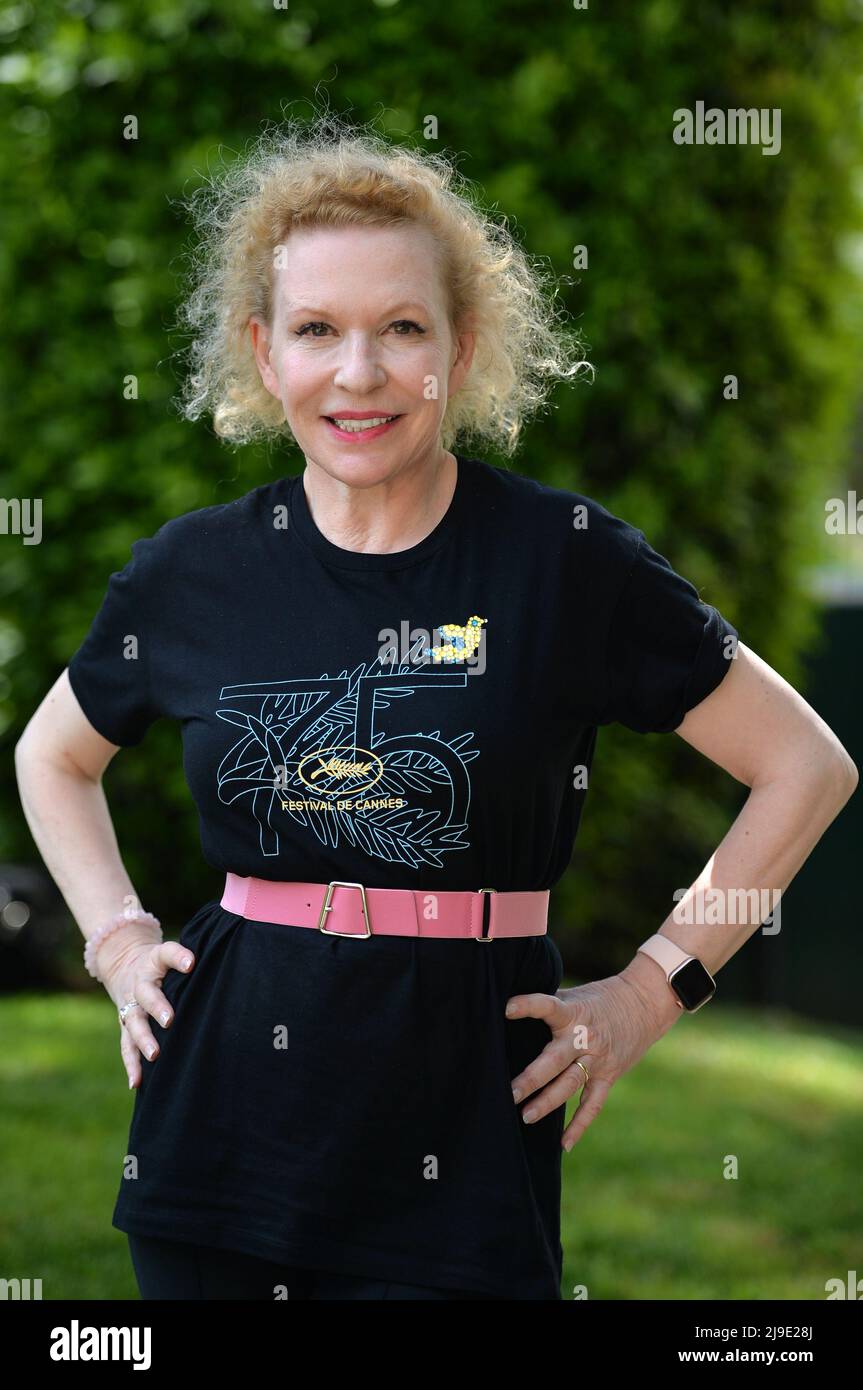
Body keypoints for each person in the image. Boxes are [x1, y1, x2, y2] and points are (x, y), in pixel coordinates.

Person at [14, 116, 858, 1302]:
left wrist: (648, 989)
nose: (357, 373)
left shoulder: (566, 563)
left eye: (400, 328)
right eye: (316, 330)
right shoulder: (190, 573)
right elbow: (52, 755)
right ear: (264, 353)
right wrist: (115, 941)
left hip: (462, 1150)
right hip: (216, 1138)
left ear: (460, 349)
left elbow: (805, 767)